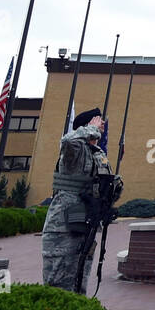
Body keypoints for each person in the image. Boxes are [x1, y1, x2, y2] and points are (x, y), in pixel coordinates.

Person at [41, 108, 123, 293]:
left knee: (79, 282)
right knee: (58, 284)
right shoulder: (75, 151)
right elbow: (68, 140)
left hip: (86, 226)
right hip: (63, 228)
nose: (102, 126)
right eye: (98, 122)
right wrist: (91, 129)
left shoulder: (98, 154)